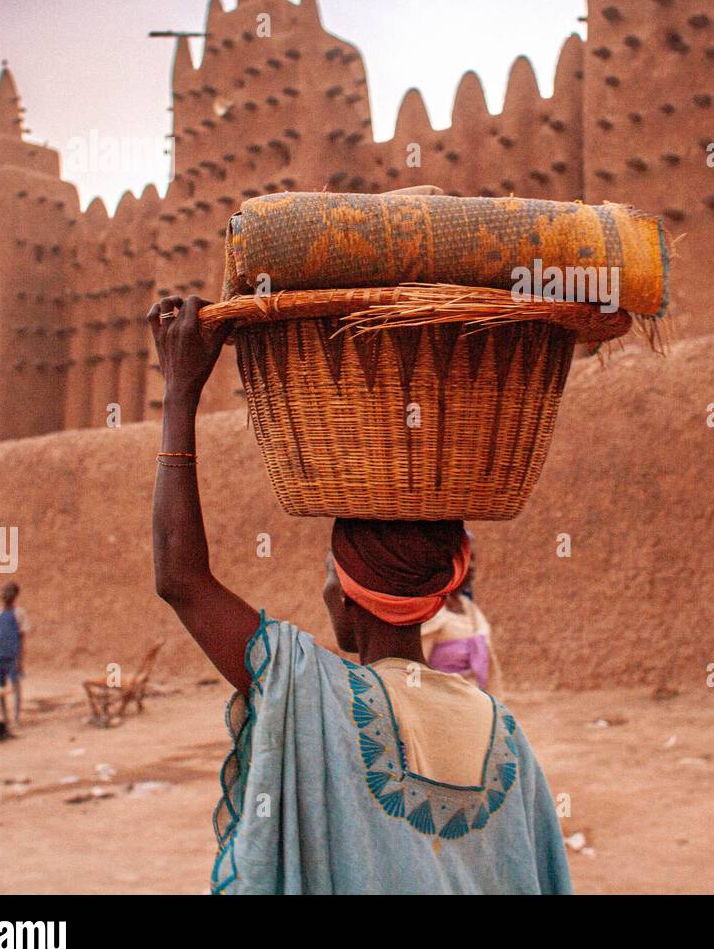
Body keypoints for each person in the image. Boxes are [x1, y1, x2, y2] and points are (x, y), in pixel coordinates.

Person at [147, 283, 571, 896]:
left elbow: (180, 579)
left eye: (327, 574)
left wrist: (179, 393)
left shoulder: (314, 694)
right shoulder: (503, 732)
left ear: (345, 597)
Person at [421, 546, 504, 696]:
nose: (472, 566)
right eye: (466, 558)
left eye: (473, 559)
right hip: (440, 702)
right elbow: (416, 669)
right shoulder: (428, 611)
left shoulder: (469, 608)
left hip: (474, 699)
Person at [0, 582, 28, 727]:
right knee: (0, 689)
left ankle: (16, 717)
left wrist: (20, 659)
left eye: (9, 592)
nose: (5, 594)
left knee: (16, 687)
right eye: (3, 591)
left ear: (15, 595)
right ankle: (4, 717)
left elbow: (22, 638)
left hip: (13, 656)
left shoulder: (19, 613)